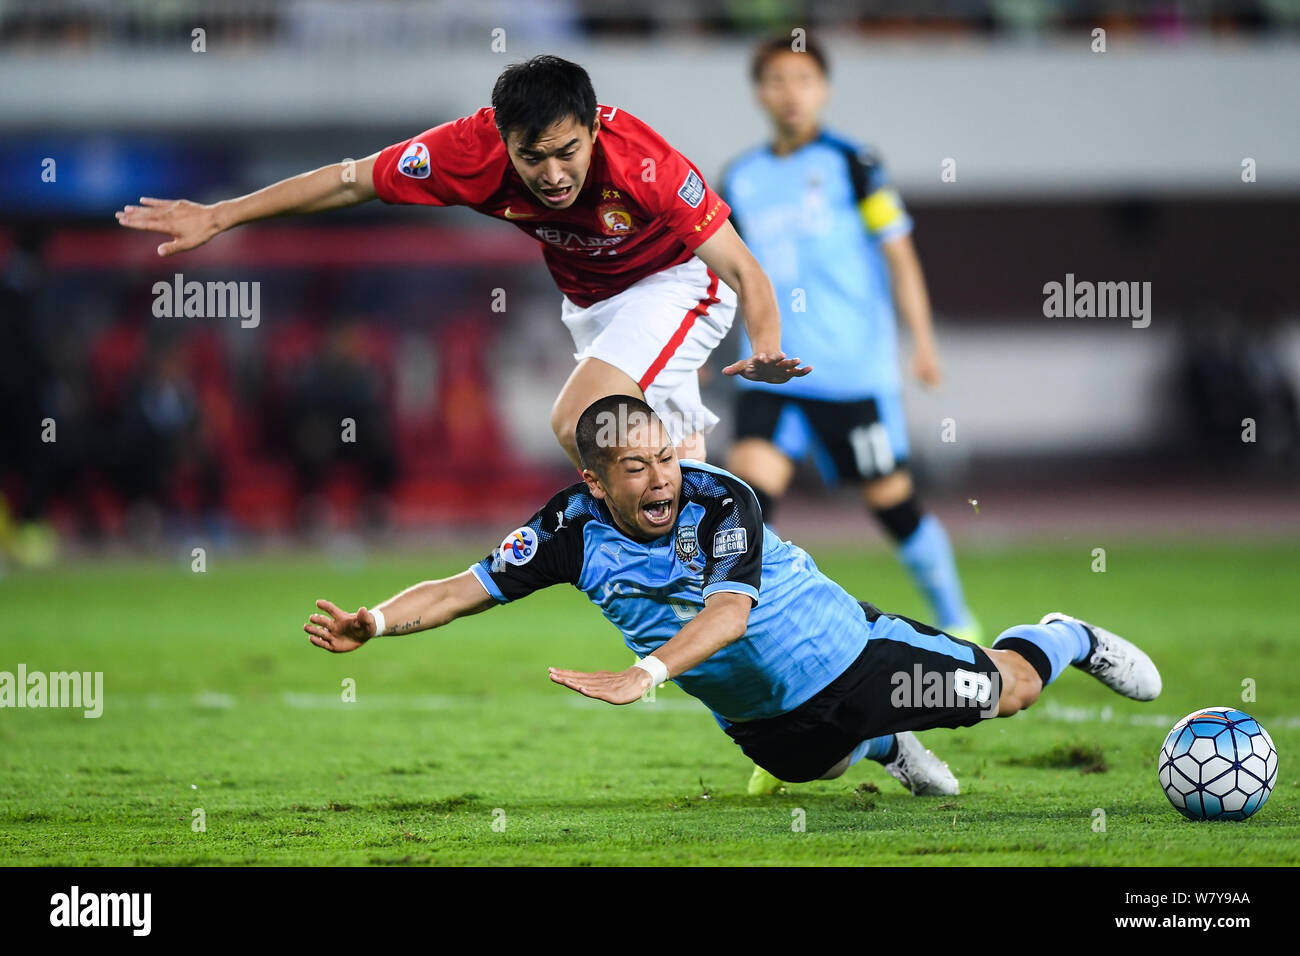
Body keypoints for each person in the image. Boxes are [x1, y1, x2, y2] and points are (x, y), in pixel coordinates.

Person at [303, 396, 1163, 797]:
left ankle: (1066, 636)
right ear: (593, 481)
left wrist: (647, 673)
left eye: (665, 458)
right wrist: (374, 621)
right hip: (760, 722)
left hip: (854, 661)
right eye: (635, 468)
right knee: (815, 766)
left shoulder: (722, 499)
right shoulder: (567, 529)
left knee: (1008, 691)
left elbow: (727, 615)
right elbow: (465, 587)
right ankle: (885, 751)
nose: (660, 480)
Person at [115, 54, 809, 468]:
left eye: (568, 152)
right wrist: (222, 213)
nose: (554, 174)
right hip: (595, 307)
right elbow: (348, 179)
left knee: (579, 422)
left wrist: (769, 347)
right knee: (667, 456)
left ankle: (652, 562)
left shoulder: (647, 164)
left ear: (596, 128)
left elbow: (745, 268)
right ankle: (730, 569)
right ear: (500, 138)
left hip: (678, 282)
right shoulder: (463, 152)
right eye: (531, 157)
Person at [719, 36, 980, 648]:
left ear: (824, 89)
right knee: (750, 500)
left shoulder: (855, 164)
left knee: (893, 505)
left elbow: (901, 256)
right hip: (769, 366)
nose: (791, 93)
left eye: (804, 79)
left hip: (850, 371)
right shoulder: (740, 176)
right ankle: (745, 629)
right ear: (760, 92)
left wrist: (923, 341)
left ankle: (958, 615)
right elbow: (726, 268)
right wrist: (705, 351)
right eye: (778, 80)